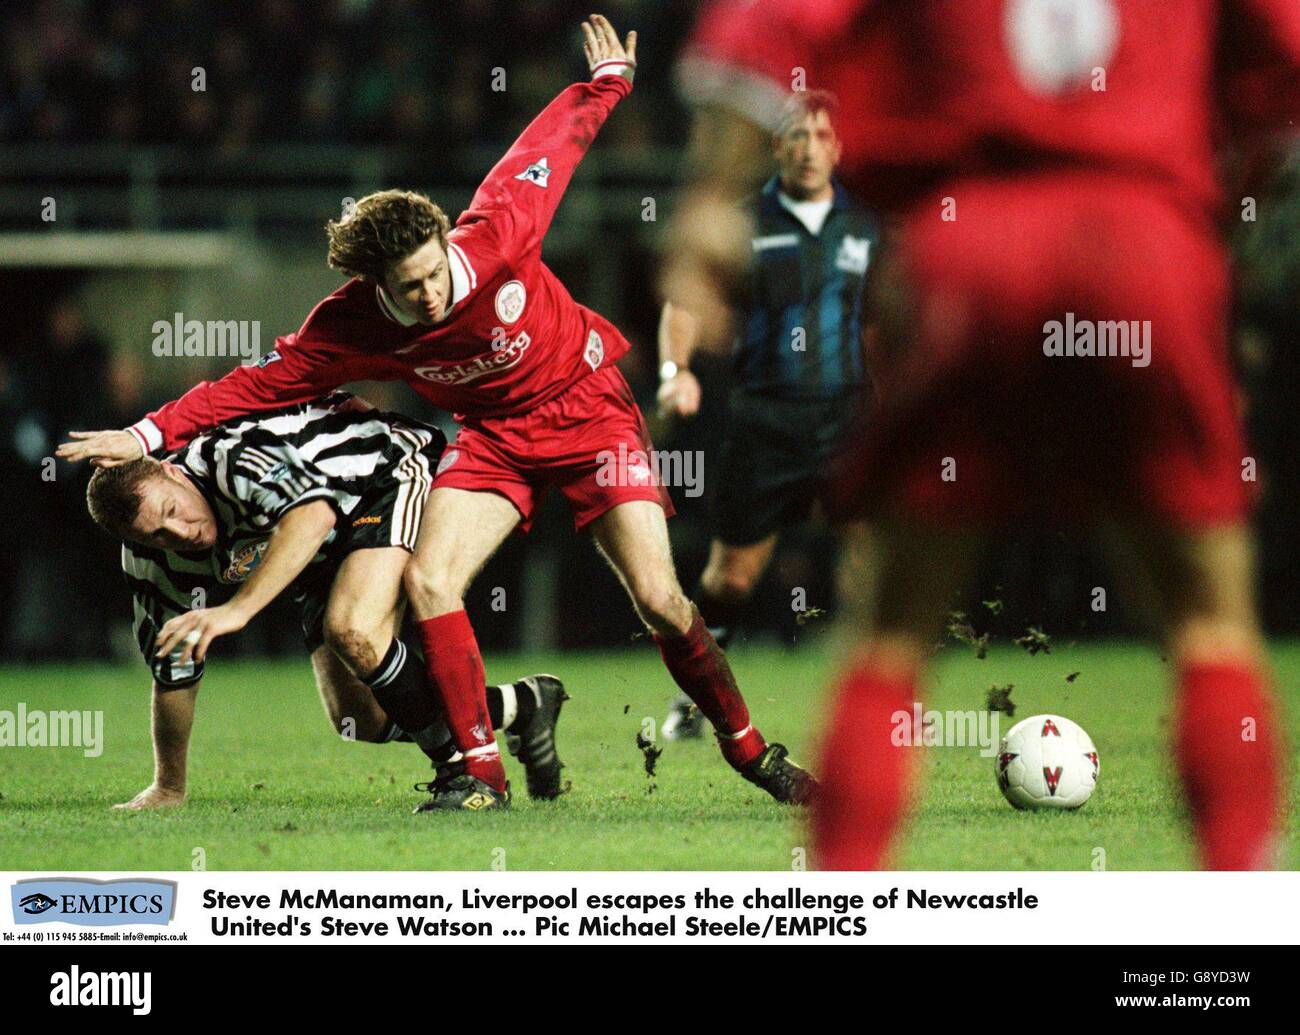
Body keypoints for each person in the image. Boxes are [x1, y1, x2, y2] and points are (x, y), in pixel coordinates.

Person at [58, 15, 816, 809]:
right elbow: (252, 385)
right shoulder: (355, 324)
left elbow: (551, 149)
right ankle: (481, 777)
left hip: (590, 412)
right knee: (428, 581)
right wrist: (146, 434)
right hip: (494, 440)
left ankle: (753, 752)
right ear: (376, 287)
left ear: (445, 241)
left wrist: (609, 84)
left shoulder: (499, 232)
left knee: (661, 599)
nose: (428, 294)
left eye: (430, 274)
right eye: (407, 287)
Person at [664, 0, 1299, 868]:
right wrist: (1226, 205)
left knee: (891, 633)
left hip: (969, 243)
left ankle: (844, 892)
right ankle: (1240, 924)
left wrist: (707, 202)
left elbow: (764, 32)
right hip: (1146, 241)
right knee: (1211, 625)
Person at [84, 395, 566, 811]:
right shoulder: (152, 561)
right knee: (361, 718)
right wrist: (169, 786)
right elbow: (173, 671)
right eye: (157, 534)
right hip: (318, 545)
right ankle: (522, 704)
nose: (181, 533)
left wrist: (238, 609)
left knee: (352, 628)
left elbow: (312, 514)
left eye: (172, 510)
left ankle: (463, 774)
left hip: (383, 471)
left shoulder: (230, 457)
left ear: (172, 469)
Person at [656, 89, 879, 739]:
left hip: (849, 416)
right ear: (776, 146)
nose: (809, 150)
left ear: (839, 147)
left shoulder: (867, 227)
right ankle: (698, 695)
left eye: (821, 137)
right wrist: (676, 371)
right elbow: (686, 303)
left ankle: (874, 705)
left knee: (871, 553)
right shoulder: (743, 224)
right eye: (796, 137)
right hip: (767, 420)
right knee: (731, 574)